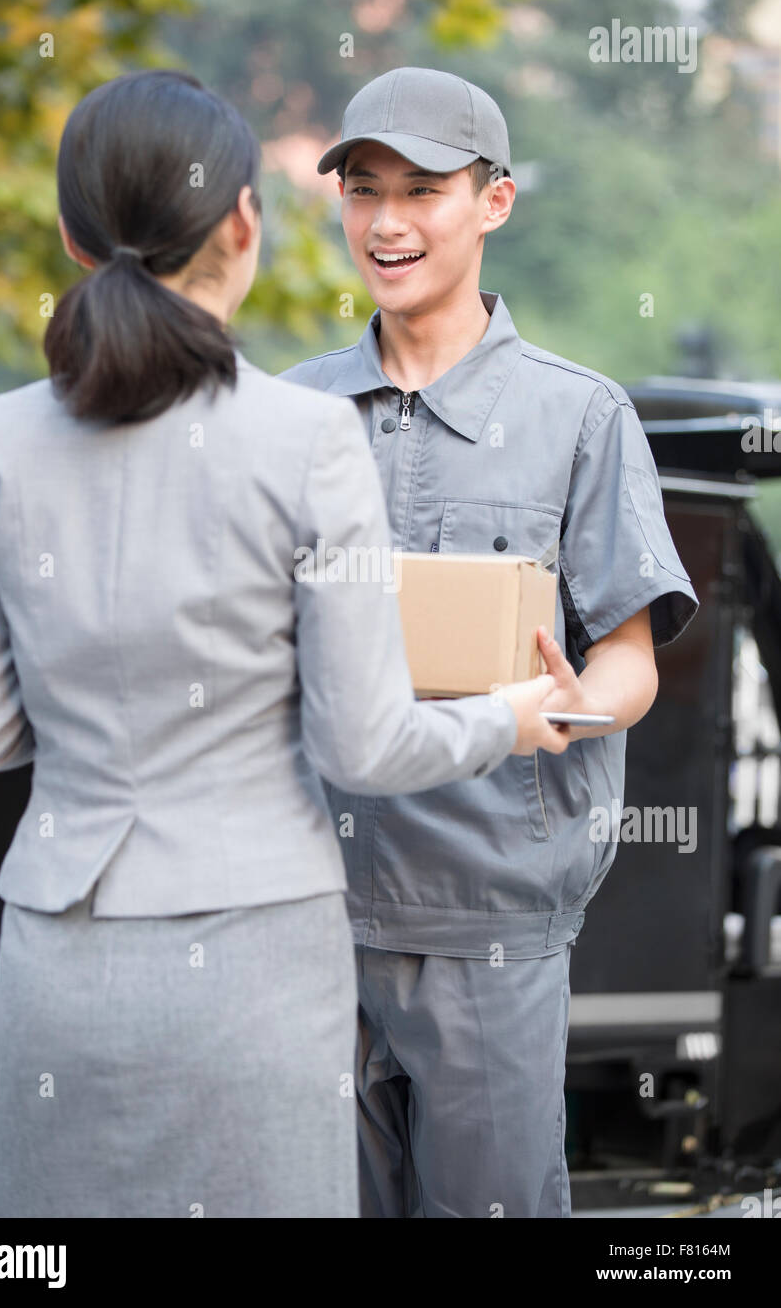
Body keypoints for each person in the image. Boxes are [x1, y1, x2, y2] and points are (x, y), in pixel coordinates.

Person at [0, 68, 570, 1220]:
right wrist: (508, 718)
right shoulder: (306, 438)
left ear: (74, 239)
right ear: (240, 222)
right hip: (254, 963)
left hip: (58, 966)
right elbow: (365, 741)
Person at [279, 66, 700, 1218]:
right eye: (363, 190)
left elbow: (629, 659)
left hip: (489, 927)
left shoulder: (580, 417)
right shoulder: (286, 414)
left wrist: (576, 701)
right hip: (305, 920)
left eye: (422, 189)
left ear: (494, 202)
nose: (387, 222)